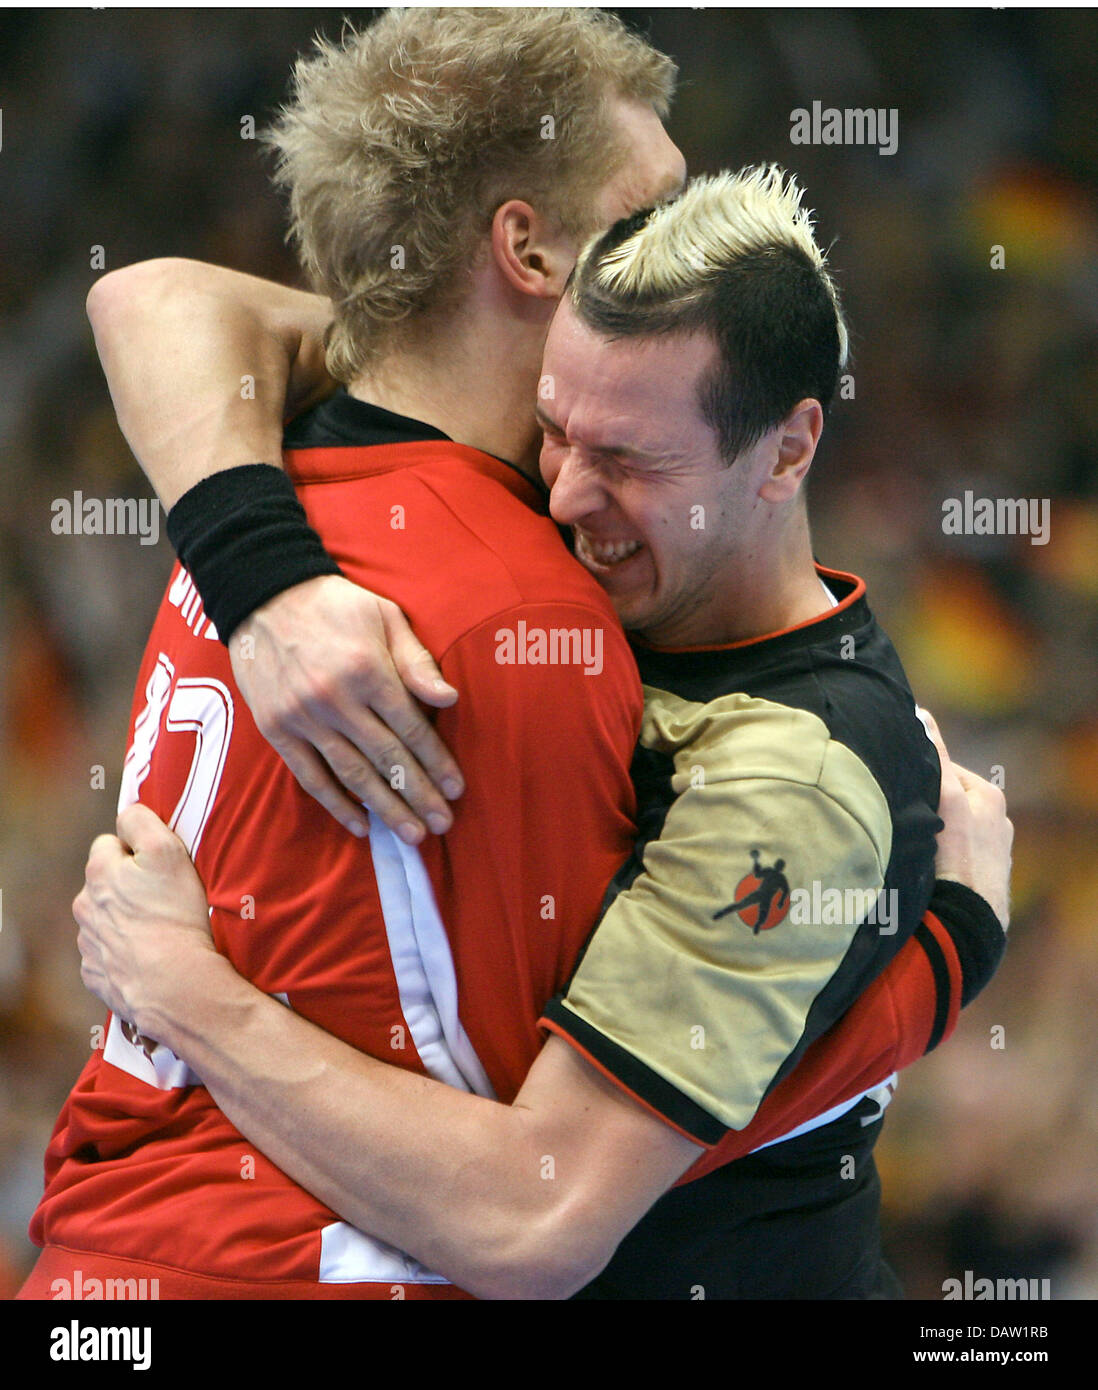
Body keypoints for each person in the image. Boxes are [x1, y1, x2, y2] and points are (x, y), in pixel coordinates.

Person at [49, 163, 1009, 1300]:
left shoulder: (793, 772)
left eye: (631, 464)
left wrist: (182, 991)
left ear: (791, 450)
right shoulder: (611, 520)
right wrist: (269, 585)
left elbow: (533, 1220)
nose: (561, 498)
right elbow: (164, 305)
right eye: (554, 432)